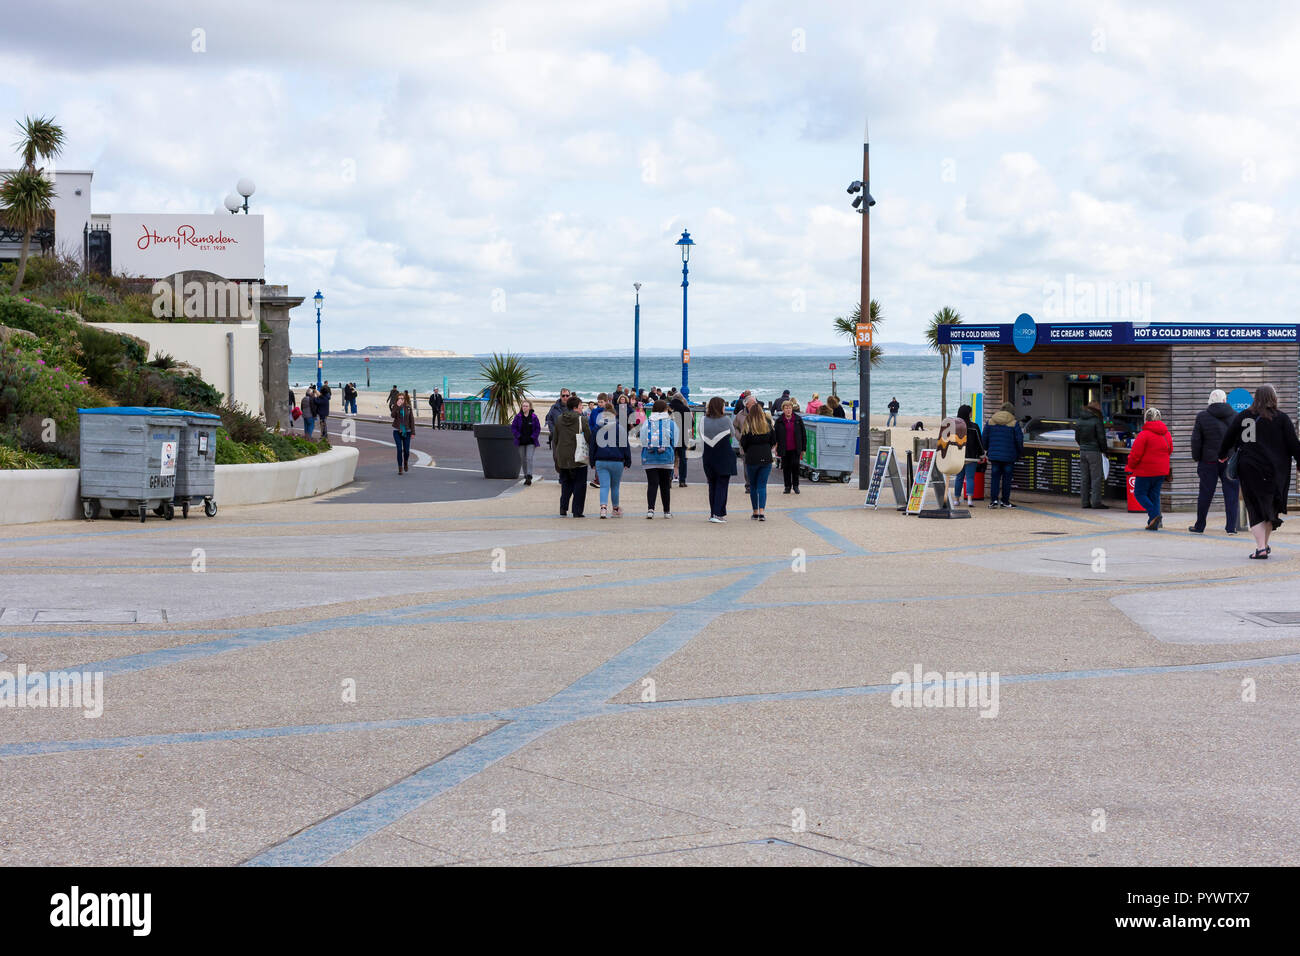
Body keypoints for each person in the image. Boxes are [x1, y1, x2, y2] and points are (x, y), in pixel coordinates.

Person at [1218, 384, 1300, 559]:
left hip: (1250, 468)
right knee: (1270, 507)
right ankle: (1262, 546)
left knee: (1254, 507)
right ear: (1273, 398)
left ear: (1256, 397)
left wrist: (1222, 455)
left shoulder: (1244, 416)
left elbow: (1229, 437)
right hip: (1275, 471)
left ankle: (1262, 547)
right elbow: (1294, 443)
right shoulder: (1282, 418)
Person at [1189, 389, 1239, 535]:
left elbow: (1196, 440)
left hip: (1208, 460)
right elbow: (1238, 440)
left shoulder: (1202, 417)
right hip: (1229, 461)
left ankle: (1200, 526)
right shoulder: (1235, 416)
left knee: (1205, 493)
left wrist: (1197, 457)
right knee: (1231, 493)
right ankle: (1231, 527)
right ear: (1225, 400)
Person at [1126, 407, 1172, 531]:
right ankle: (1154, 522)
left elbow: (1135, 455)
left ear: (1146, 419)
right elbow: (1170, 450)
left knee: (1139, 494)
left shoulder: (1143, 435)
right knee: (1155, 495)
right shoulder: (1166, 434)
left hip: (1145, 471)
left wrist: (1130, 465)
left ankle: (1155, 515)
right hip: (1162, 471)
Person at [552, 395, 592, 517]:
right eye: (580, 406)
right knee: (580, 485)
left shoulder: (559, 419)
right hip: (578, 457)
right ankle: (577, 511)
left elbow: (555, 438)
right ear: (575, 407)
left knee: (566, 484)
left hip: (563, 457)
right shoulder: (582, 419)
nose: (581, 409)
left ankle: (563, 508)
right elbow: (588, 437)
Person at [592, 399, 632, 518]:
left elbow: (592, 445)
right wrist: (627, 460)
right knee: (615, 486)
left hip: (600, 460)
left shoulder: (597, 428)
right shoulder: (620, 428)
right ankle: (615, 508)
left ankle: (603, 508)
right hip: (617, 460)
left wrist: (592, 461)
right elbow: (625, 446)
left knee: (604, 486)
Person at [982, 402, 1023, 509]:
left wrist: (987, 449)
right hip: (1009, 456)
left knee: (994, 478)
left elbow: (984, 438)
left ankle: (994, 501)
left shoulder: (990, 421)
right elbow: (1019, 440)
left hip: (994, 456)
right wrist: (1019, 452)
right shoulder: (1014, 423)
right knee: (1007, 479)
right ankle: (1005, 501)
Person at [701, 396, 735, 523]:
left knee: (712, 485)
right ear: (719, 407)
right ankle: (718, 513)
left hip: (708, 455)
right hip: (723, 455)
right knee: (722, 484)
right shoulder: (725, 419)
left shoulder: (704, 419)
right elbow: (732, 434)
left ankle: (713, 513)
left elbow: (701, 434)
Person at [641, 398, 677, 519]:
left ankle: (650, 510)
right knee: (665, 485)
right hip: (666, 457)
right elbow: (675, 441)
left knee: (652, 484)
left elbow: (642, 440)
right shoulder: (671, 423)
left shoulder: (647, 422)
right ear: (665, 410)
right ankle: (666, 511)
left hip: (650, 457)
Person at [740, 402, 777, 520]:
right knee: (762, 486)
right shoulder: (767, 424)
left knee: (753, 486)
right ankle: (762, 512)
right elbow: (773, 440)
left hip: (751, 457)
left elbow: (743, 442)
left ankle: (755, 511)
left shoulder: (748, 424)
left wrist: (748, 450)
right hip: (766, 456)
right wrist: (767, 448)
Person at [1074, 400, 1110, 510]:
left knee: (1084, 478)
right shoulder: (1096, 420)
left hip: (1083, 451)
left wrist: (1083, 446)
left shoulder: (1079, 420)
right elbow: (1101, 438)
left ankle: (1084, 502)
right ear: (1096, 409)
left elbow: (1077, 437)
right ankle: (1096, 502)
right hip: (1094, 451)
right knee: (1096, 478)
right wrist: (1104, 451)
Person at [774, 399, 807, 495]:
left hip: (796, 448)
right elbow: (775, 435)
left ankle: (796, 486)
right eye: (786, 408)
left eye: (790, 408)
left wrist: (803, 448)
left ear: (792, 409)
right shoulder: (779, 421)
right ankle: (787, 486)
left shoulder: (797, 419)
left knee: (795, 467)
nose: (788, 410)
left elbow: (803, 434)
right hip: (784, 448)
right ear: (783, 409)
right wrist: (776, 446)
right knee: (786, 468)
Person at [954, 404, 985, 506]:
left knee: (959, 477)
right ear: (968, 414)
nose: (972, 413)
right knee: (970, 478)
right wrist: (982, 455)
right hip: (971, 457)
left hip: (958, 456)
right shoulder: (974, 427)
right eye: (971, 412)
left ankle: (956, 499)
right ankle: (970, 500)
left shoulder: (955, 427)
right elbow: (979, 443)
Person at [511, 399, 542, 485]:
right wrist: (518, 436)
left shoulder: (534, 417)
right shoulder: (518, 417)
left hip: (531, 442)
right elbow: (513, 428)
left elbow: (538, 429)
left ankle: (529, 475)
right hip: (520, 441)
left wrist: (533, 437)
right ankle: (526, 476)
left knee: (529, 458)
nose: (524, 407)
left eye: (526, 406)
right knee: (523, 459)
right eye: (523, 406)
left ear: (530, 407)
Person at [668, 389, 692, 487]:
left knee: (670, 458)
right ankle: (682, 481)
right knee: (683, 459)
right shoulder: (685, 409)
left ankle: (669, 479)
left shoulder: (668, 408)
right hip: (682, 436)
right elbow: (690, 424)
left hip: (670, 436)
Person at [390, 391, 417, 475]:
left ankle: (405, 462)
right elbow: (392, 415)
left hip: (407, 431)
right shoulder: (395, 406)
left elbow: (411, 420)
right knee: (399, 449)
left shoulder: (408, 407)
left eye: (402, 398)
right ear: (397, 399)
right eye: (399, 398)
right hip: (397, 431)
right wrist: (397, 407)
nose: (400, 400)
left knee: (406, 451)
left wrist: (413, 432)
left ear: (405, 399)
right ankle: (400, 467)